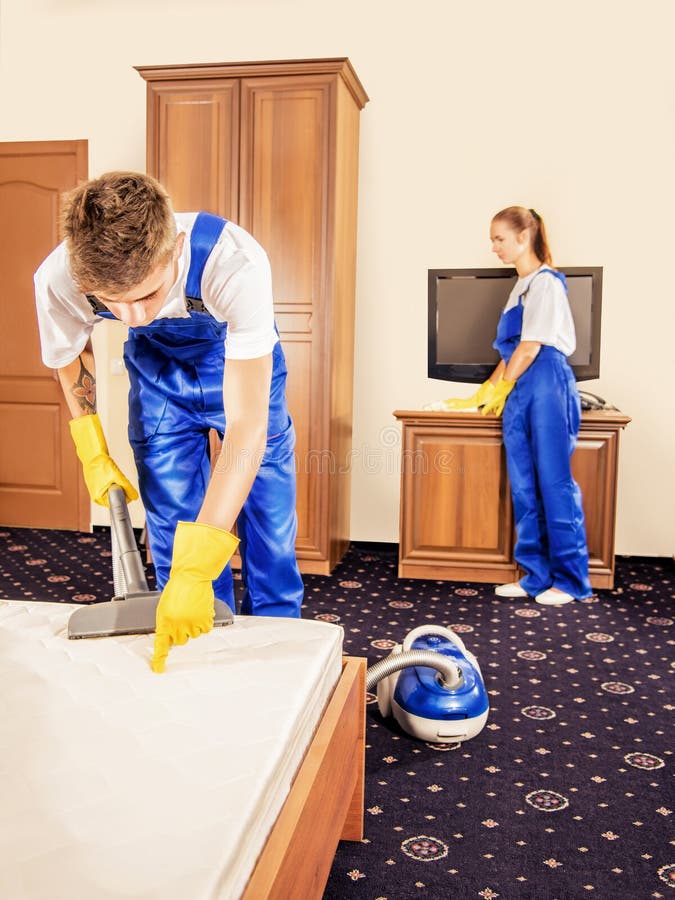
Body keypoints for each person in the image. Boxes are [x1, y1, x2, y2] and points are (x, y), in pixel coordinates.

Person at [34, 171, 304, 671]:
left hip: (238, 364)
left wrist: (199, 567)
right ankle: (203, 649)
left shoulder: (233, 263)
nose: (131, 318)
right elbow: (71, 357)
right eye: (110, 303)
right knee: (174, 517)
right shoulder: (58, 277)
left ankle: (281, 653)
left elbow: (247, 431)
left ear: (176, 249)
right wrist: (93, 451)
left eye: (147, 295)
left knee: (268, 517)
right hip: (158, 375)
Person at [439, 206, 592, 605]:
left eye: (499, 239)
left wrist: (500, 387)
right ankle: (535, 575)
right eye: (493, 239)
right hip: (521, 385)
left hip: (546, 384)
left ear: (525, 237)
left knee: (554, 483)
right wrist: (481, 395)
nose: (493, 247)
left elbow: (530, 347)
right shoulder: (519, 287)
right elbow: (509, 354)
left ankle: (570, 580)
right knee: (524, 486)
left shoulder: (546, 285)